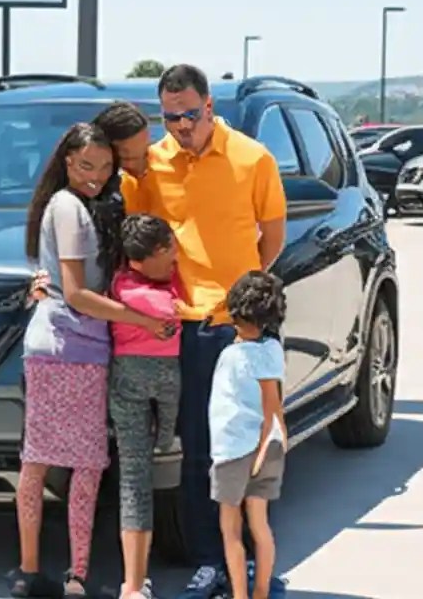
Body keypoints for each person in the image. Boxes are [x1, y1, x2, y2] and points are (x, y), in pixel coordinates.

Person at [93, 67, 288, 599]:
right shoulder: (149, 165)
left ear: (208, 106)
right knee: (201, 448)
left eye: (187, 114)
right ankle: (210, 562)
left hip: (238, 328)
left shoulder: (253, 158)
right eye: (168, 116)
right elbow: (138, 243)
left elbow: (272, 237)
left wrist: (244, 296)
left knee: (250, 449)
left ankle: (249, 564)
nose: (178, 125)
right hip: (184, 328)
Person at [10, 122, 177, 599]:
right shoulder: (67, 207)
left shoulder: (81, 206)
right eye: (86, 166)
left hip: (62, 344)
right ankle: (71, 576)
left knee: (44, 461)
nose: (96, 176)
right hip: (70, 347)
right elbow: (80, 294)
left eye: (105, 167)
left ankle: (35, 572)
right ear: (66, 161)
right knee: (77, 465)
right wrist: (142, 321)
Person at [109, 213, 184, 599]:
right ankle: (166, 439)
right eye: (171, 249)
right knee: (164, 438)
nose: (176, 256)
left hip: (123, 378)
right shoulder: (164, 294)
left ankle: (132, 585)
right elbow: (177, 311)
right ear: (153, 253)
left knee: (133, 480)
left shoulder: (119, 285)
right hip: (164, 373)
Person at [210, 271, 288, 599]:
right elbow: (274, 405)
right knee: (260, 525)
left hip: (234, 448)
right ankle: (261, 591)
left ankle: (240, 595)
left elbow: (266, 401)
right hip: (269, 445)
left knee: (230, 530)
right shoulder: (272, 349)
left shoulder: (231, 355)